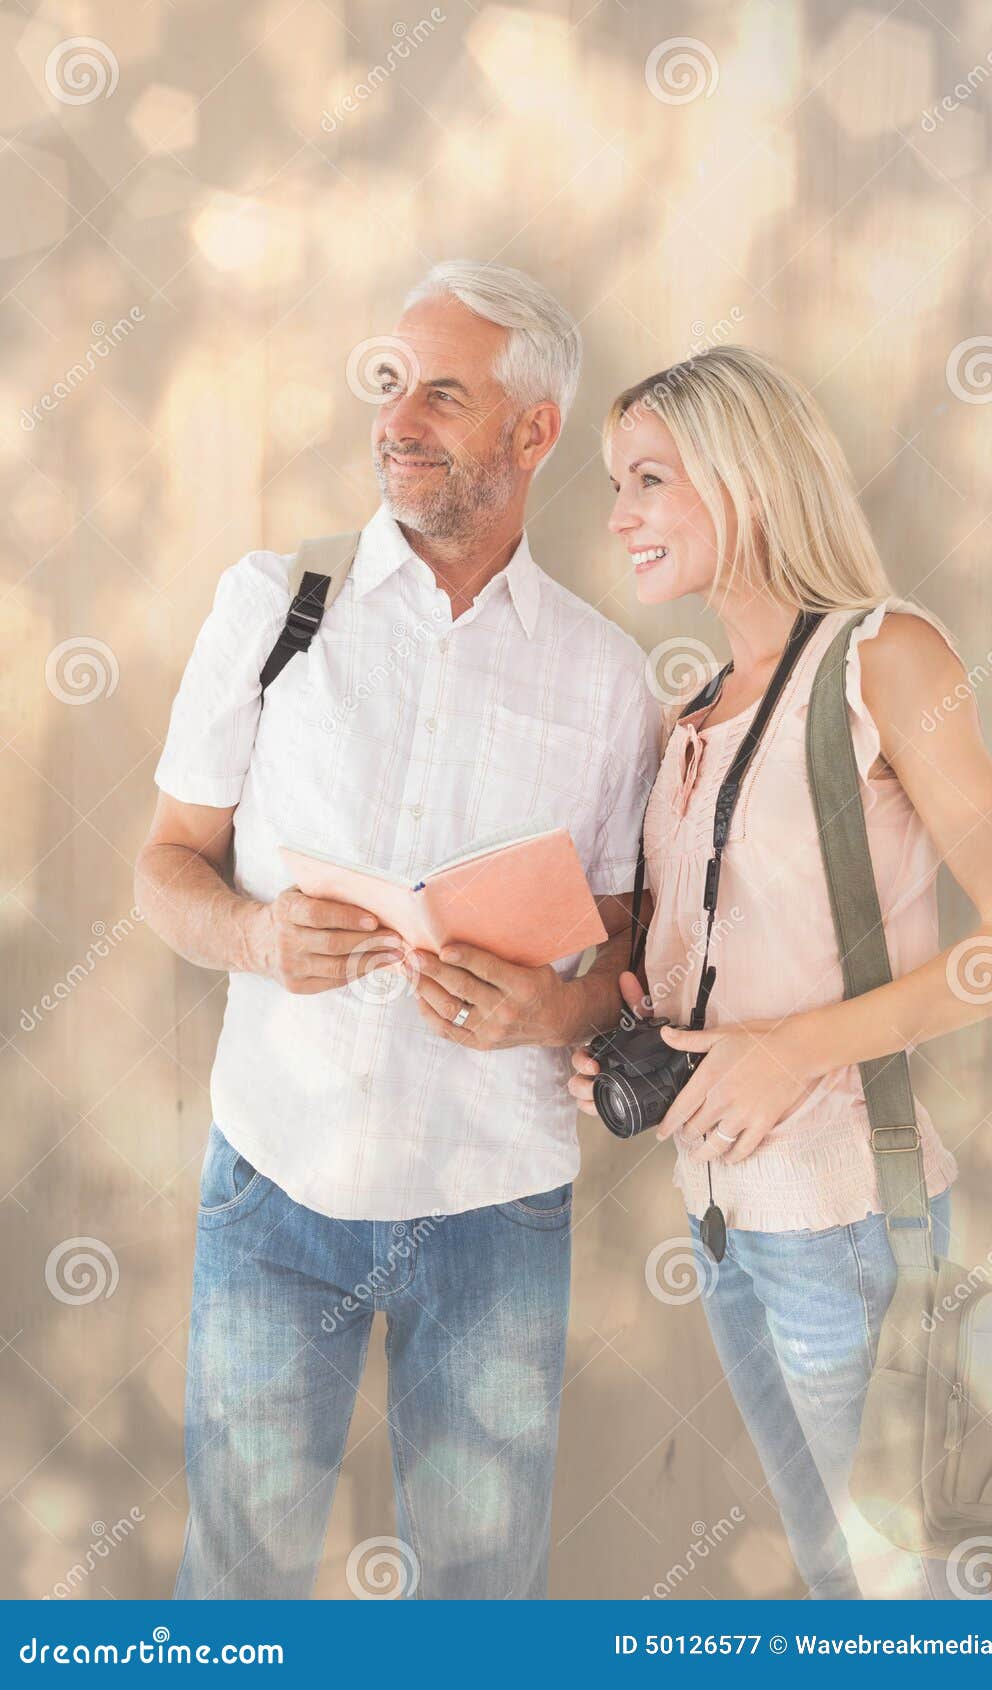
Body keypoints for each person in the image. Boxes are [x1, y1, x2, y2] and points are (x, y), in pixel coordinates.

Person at [135, 261, 661, 1600]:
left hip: (493, 1199)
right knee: (237, 1583)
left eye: (444, 390)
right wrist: (255, 939)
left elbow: (625, 937)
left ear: (533, 431)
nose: (398, 418)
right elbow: (165, 868)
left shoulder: (604, 676)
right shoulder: (273, 604)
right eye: (390, 383)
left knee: (480, 1598)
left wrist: (559, 1009)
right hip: (274, 1182)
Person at [568, 346, 992, 1599]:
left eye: (649, 479)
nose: (618, 514)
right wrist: (631, 1044)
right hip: (725, 1221)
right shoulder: (692, 711)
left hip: (850, 1225)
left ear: (745, 477)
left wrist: (796, 1047)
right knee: (845, 1594)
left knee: (901, 1608)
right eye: (613, 483)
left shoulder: (880, 659)